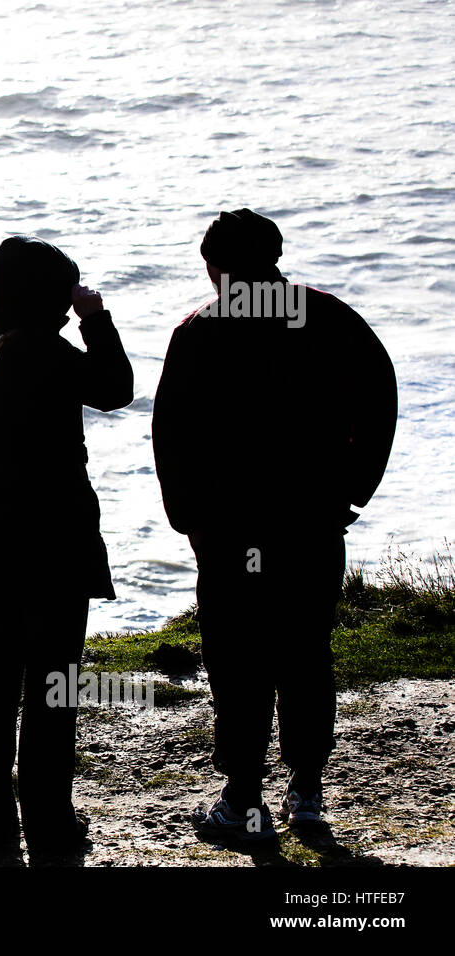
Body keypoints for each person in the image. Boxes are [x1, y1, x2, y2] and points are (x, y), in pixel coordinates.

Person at [152, 209, 397, 843]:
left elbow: (171, 435)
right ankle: (308, 791)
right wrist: (353, 490)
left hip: (229, 529)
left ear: (214, 268)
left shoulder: (199, 332)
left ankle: (242, 798)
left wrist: (188, 518)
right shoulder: (332, 319)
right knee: (306, 650)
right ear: (276, 254)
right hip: (311, 522)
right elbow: (380, 399)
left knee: (237, 659)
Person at [0, 235, 133, 857]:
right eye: (63, 290)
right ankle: (49, 821)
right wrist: (97, 319)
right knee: (55, 681)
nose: (68, 303)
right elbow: (116, 388)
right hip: (53, 530)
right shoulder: (45, 350)